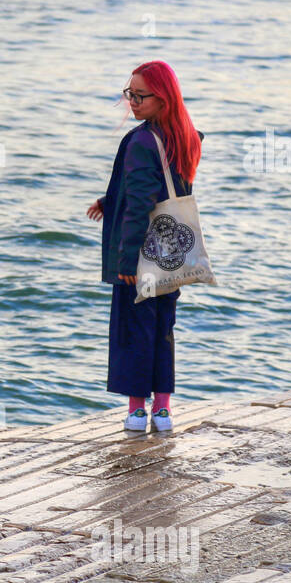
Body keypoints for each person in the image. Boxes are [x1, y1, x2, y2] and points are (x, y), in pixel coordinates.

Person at [87, 60, 203, 433]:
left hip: (139, 254)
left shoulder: (140, 141)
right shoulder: (186, 135)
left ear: (163, 98)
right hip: (171, 254)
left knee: (132, 329)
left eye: (140, 96)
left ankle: (138, 412)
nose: (132, 102)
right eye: (129, 94)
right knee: (162, 328)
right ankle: (164, 410)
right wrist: (109, 201)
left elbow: (139, 204)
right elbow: (163, 189)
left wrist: (125, 260)